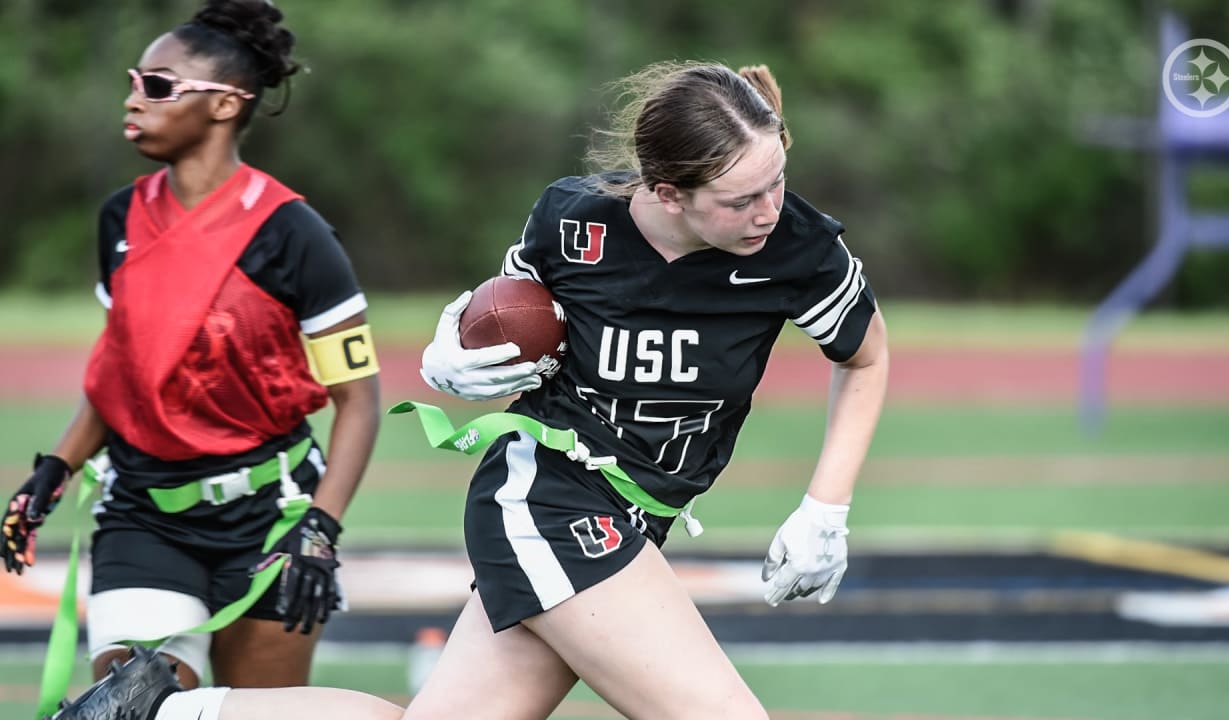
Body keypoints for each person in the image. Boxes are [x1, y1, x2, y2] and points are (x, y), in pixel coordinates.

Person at [50, 59, 888, 720]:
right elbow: (506, 315)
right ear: (666, 192)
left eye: (779, 179)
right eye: (743, 197)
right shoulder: (574, 221)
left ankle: (163, 708)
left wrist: (826, 508)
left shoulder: (798, 247)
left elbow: (865, 357)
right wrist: (454, 354)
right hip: (550, 499)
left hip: (639, 513)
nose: (771, 209)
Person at [7, 0, 382, 702]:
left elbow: (358, 401)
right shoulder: (119, 217)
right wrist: (54, 469)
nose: (132, 99)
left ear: (224, 104)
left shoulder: (295, 234)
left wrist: (320, 530)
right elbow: (124, 371)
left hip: (272, 515)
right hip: (143, 513)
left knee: (257, 716)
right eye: (132, 80)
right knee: (134, 704)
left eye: (156, 85)